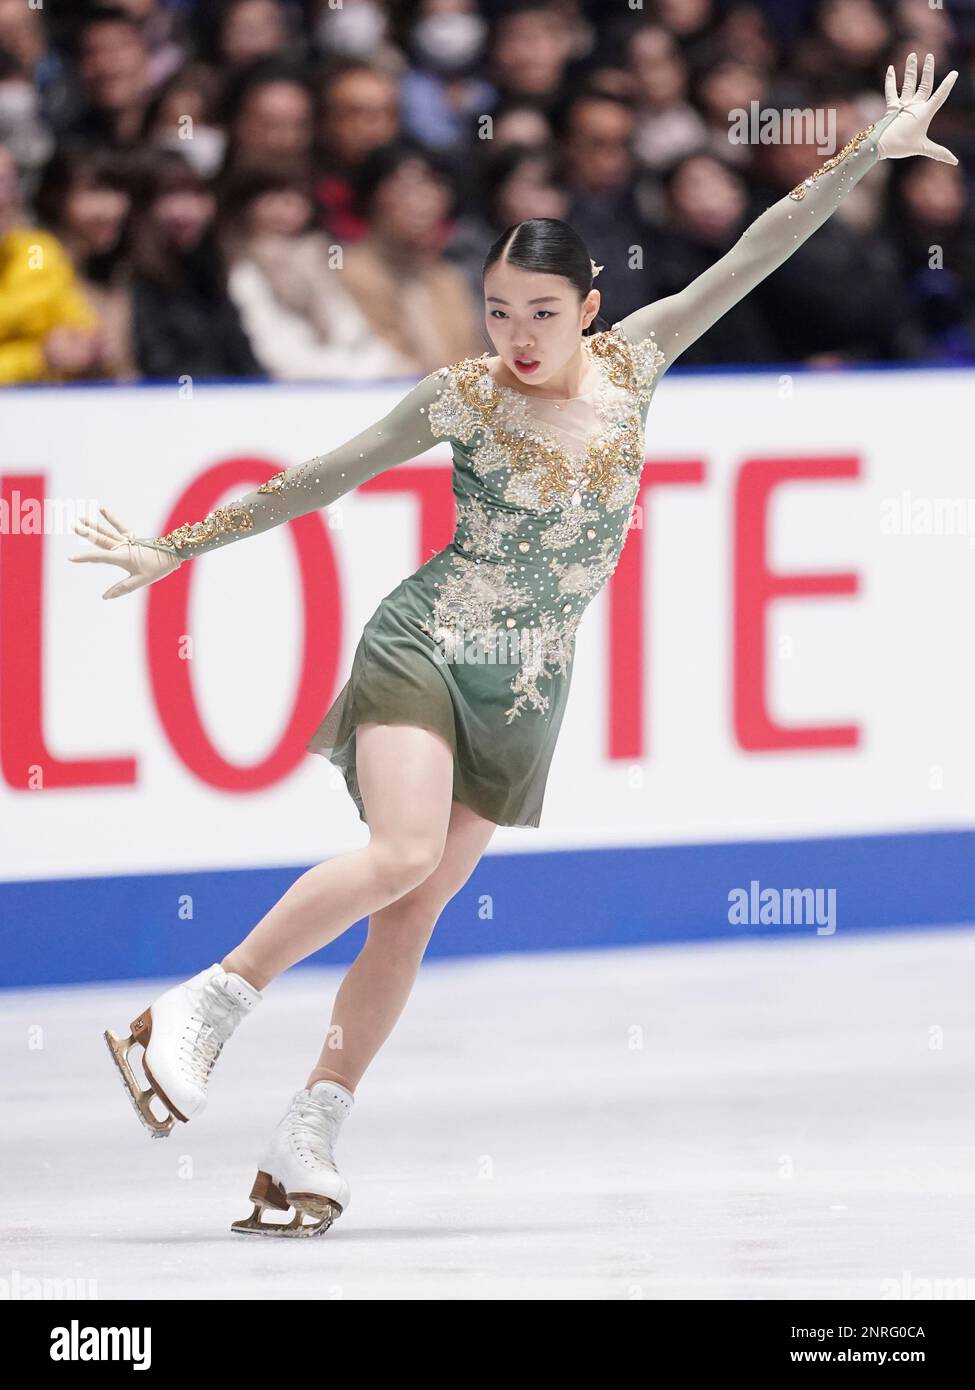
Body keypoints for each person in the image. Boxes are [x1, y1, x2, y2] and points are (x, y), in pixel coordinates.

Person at [69, 55, 957, 1236]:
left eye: (541, 313)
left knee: (416, 907)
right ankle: (198, 1006)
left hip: (527, 687)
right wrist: (178, 545)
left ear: (589, 308)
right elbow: (324, 476)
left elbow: (758, 247)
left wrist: (866, 150)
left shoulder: (641, 358)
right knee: (397, 852)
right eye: (499, 312)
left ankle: (309, 1133)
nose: (518, 335)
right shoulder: (463, 396)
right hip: (427, 644)